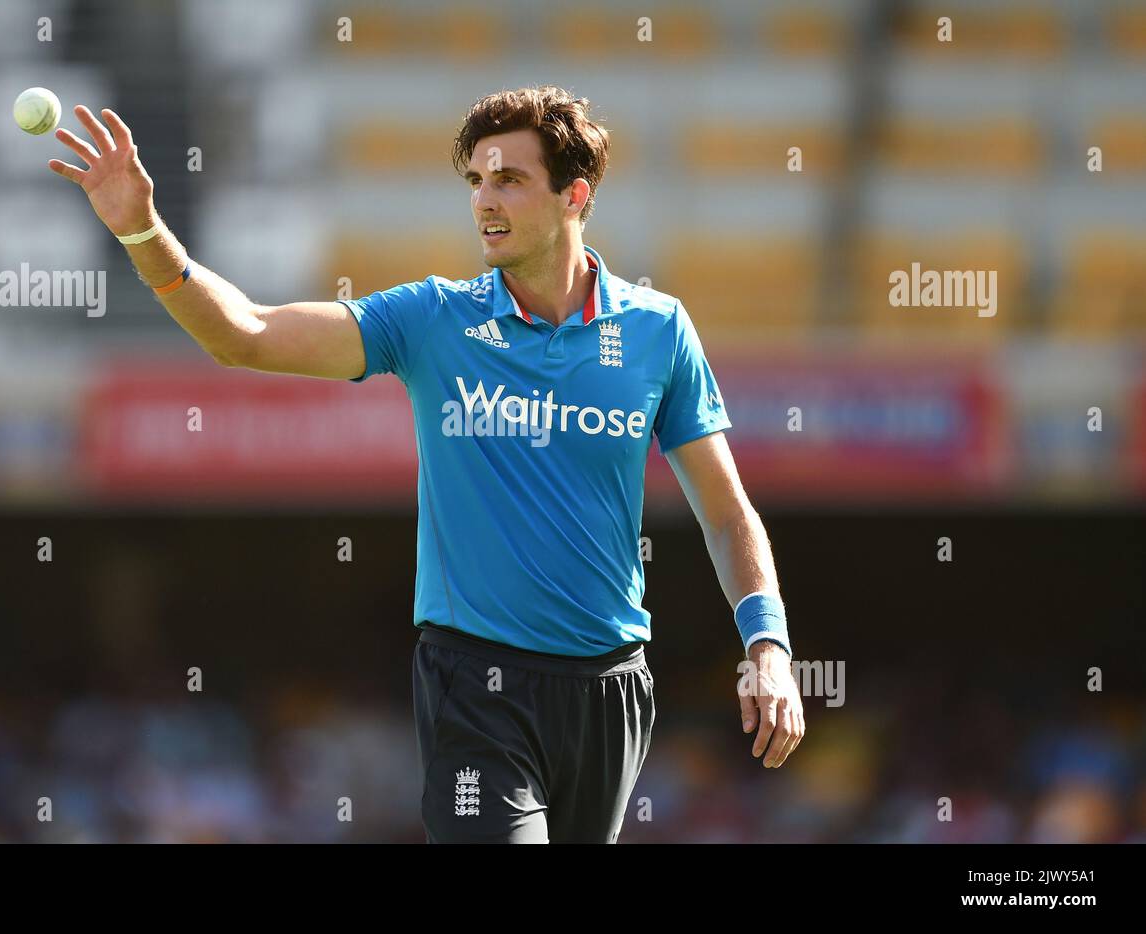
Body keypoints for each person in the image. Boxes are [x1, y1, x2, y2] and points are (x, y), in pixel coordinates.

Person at [49, 85, 804, 844]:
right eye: (476, 180)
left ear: (574, 196)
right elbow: (244, 333)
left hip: (609, 688)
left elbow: (727, 511)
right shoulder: (435, 318)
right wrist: (143, 229)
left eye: (509, 179)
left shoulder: (657, 329)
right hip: (474, 688)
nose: (485, 199)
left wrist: (767, 647)